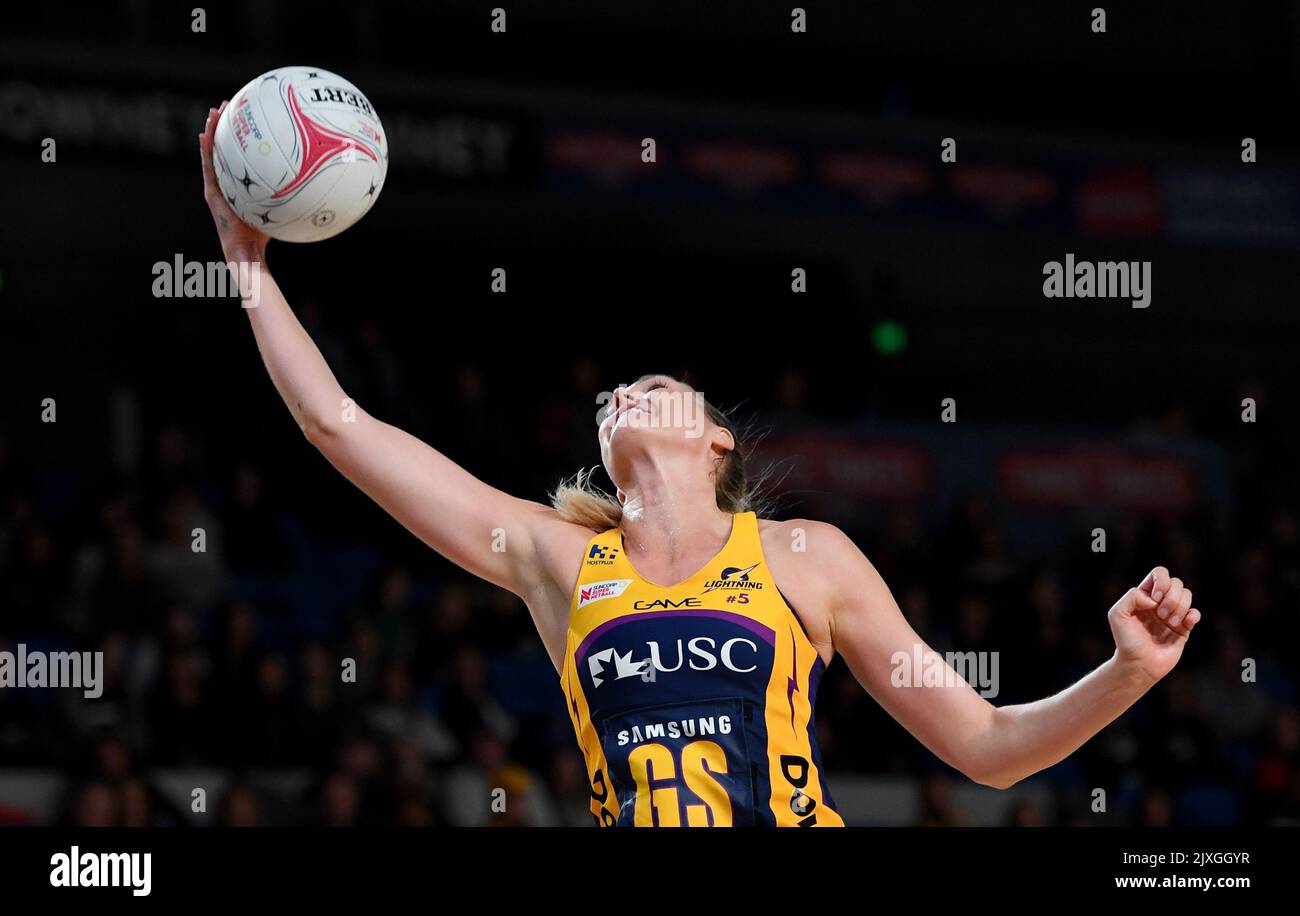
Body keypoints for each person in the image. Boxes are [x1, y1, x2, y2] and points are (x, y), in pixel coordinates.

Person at [198, 103, 1204, 827]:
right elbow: (337, 425)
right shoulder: (555, 559)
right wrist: (247, 269)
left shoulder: (806, 556)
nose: (623, 394)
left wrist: (1125, 671)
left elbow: (987, 750)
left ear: (718, 438)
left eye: (650, 382)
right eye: (609, 397)